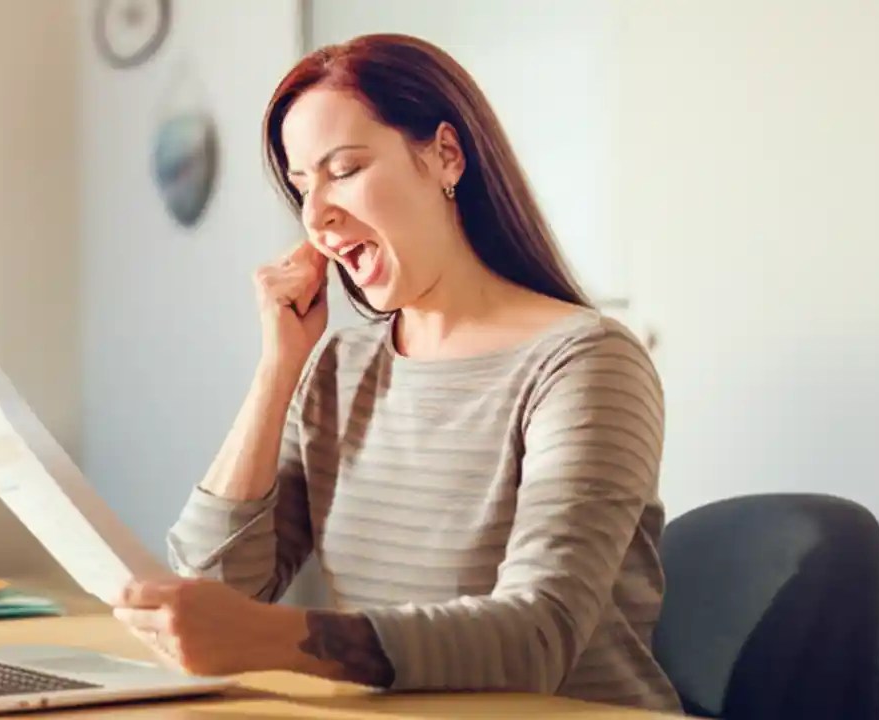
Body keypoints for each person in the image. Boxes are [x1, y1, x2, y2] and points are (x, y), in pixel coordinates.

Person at [111, 34, 682, 713]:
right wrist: (277, 367)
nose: (316, 215)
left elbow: (537, 636)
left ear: (445, 154)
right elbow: (218, 588)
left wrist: (276, 640)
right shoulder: (341, 367)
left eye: (344, 169)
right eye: (301, 185)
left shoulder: (586, 362)